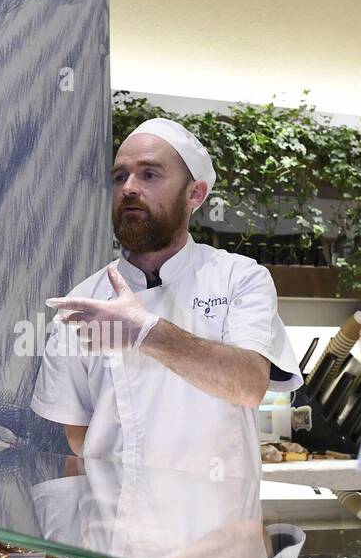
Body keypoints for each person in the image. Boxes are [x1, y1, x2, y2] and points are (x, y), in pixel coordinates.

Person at [32, 117, 301, 479]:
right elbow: (77, 434)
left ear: (195, 194)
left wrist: (146, 331)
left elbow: (249, 385)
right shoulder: (85, 300)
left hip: (218, 524)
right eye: (119, 176)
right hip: (116, 525)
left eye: (149, 175)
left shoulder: (240, 277)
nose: (128, 188)